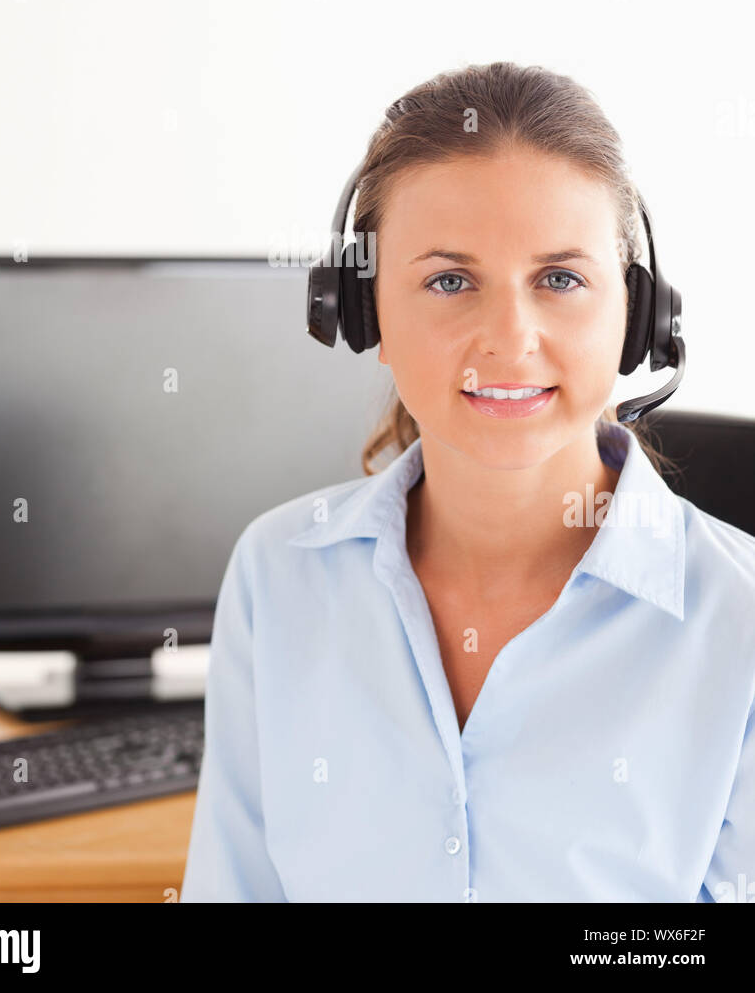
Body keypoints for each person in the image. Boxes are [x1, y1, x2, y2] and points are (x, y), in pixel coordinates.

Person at [179, 61, 755, 903]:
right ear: (361, 311)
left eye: (560, 279)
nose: (510, 338)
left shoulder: (736, 623)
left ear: (638, 317)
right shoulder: (278, 575)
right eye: (450, 280)